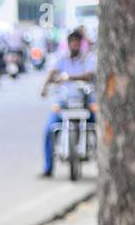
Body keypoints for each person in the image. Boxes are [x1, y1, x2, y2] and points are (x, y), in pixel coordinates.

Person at [39, 28, 97, 177]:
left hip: (84, 103)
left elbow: (90, 75)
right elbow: (52, 72)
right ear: (69, 44)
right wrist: (44, 86)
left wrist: (70, 78)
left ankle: (102, 165)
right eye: (73, 43)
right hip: (65, 104)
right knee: (49, 130)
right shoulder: (61, 59)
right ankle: (48, 167)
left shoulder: (88, 59)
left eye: (77, 43)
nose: (75, 46)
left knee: (101, 128)